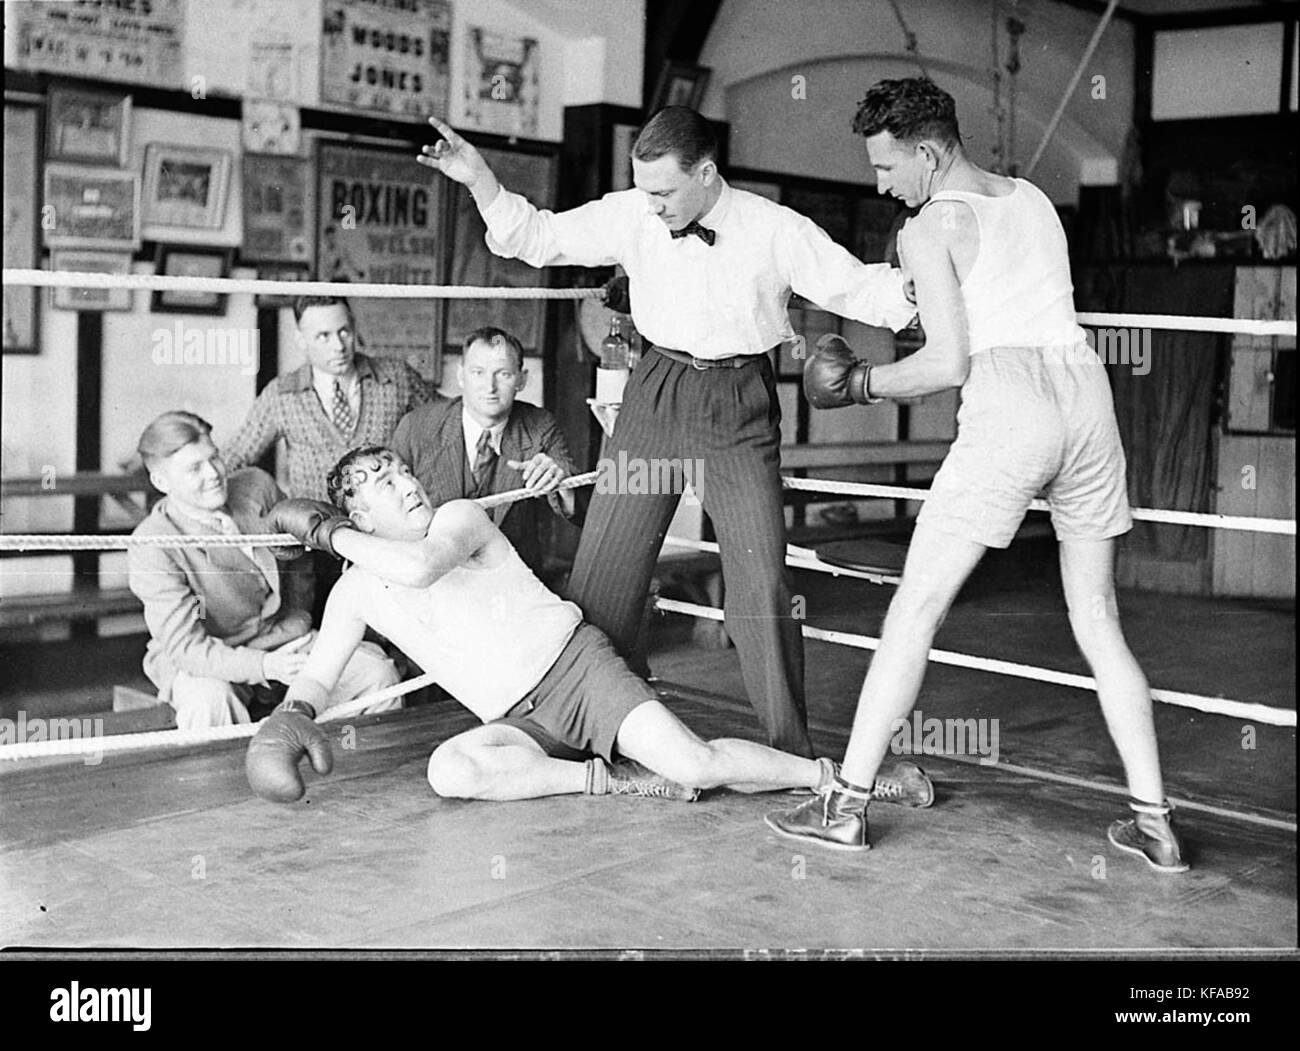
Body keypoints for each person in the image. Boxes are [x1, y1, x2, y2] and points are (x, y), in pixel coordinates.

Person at [765, 78, 1188, 873]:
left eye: (888, 167)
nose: (881, 184)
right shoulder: (1031, 198)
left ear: (927, 152)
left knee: (915, 610)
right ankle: (1156, 823)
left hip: (1011, 405)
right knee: (1098, 618)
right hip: (1087, 397)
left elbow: (948, 361)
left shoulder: (933, 226)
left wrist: (860, 384)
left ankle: (846, 807)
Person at [416, 107, 916, 759]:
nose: (651, 207)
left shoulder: (775, 229)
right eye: (643, 190)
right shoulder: (633, 213)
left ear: (706, 173)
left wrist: (930, 291)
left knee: (761, 581)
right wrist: (480, 178)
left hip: (737, 401)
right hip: (653, 390)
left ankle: (793, 755)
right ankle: (591, 726)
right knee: (605, 570)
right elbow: (535, 238)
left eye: (663, 192)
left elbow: (857, 288)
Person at [246, 446, 936, 808]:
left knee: (695, 763)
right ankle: (617, 783)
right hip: (521, 719)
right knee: (450, 769)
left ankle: (850, 780)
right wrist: (289, 716)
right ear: (359, 515)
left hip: (578, 670)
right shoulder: (357, 588)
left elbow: (423, 567)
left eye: (400, 468)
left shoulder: (457, 517)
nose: (404, 482)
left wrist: (327, 534)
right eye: (380, 481)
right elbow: (318, 671)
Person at [127, 411, 400, 730]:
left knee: (377, 674)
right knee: (208, 702)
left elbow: (298, 559)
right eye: (194, 469)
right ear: (161, 482)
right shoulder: (152, 543)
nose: (214, 473)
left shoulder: (256, 486)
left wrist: (296, 619)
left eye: (214, 458)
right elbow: (187, 648)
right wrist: (265, 665)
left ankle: (348, 772)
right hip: (212, 657)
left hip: (283, 638)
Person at [224, 295, 444, 619]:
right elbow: (238, 454)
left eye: (344, 332)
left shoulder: (396, 378)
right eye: (322, 336)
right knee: (319, 631)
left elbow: (446, 424)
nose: (338, 346)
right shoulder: (281, 394)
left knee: (396, 632)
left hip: (387, 541)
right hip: (315, 549)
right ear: (301, 339)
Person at [390, 326, 578, 579]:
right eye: (478, 372)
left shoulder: (539, 426)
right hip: (439, 580)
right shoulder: (417, 427)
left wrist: (559, 480)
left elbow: (574, 497)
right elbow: (391, 512)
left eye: (503, 374)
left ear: (522, 379)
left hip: (512, 578)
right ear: (461, 375)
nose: (489, 386)